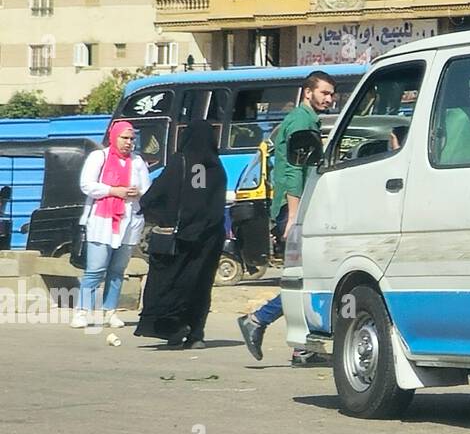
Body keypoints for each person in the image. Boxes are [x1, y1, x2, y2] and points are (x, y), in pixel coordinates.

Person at [238, 70, 335, 365]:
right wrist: (293, 215)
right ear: (308, 92)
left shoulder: (305, 120)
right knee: (307, 277)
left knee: (310, 276)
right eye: (324, 93)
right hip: (295, 208)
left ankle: (301, 347)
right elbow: (294, 168)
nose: (329, 99)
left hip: (297, 206)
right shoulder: (301, 121)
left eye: (332, 94)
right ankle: (257, 320)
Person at [135, 122, 228, 348]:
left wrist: (154, 212)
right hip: (209, 239)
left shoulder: (182, 162)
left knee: (171, 283)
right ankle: (196, 333)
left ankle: (173, 327)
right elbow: (208, 201)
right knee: (200, 285)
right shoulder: (215, 167)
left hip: (181, 239)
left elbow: (156, 195)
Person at [73, 120, 152, 329]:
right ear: (114, 137)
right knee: (95, 269)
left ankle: (110, 311)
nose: (128, 143)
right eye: (124, 138)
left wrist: (138, 193)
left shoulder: (137, 162)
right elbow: (86, 184)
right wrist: (113, 191)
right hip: (102, 219)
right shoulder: (99, 157)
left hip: (129, 219)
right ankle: (82, 311)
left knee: (117, 270)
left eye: (132, 139)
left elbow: (147, 189)